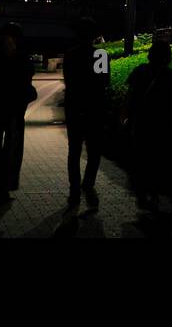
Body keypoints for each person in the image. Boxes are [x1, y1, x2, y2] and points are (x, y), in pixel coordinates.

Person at [0, 22, 36, 201]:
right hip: (11, 111)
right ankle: (3, 185)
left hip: (3, 110)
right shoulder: (22, 60)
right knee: (8, 149)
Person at [123, 40, 172, 210]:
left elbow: (130, 96)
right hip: (161, 123)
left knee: (141, 157)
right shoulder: (171, 75)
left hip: (141, 122)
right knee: (157, 158)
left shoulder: (140, 71)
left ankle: (141, 193)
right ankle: (154, 194)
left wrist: (126, 116)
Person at [62, 18, 109, 210]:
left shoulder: (70, 55)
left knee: (74, 150)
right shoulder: (100, 55)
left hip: (74, 107)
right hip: (94, 108)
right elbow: (104, 82)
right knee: (94, 150)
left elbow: (69, 81)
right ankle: (88, 183)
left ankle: (74, 187)